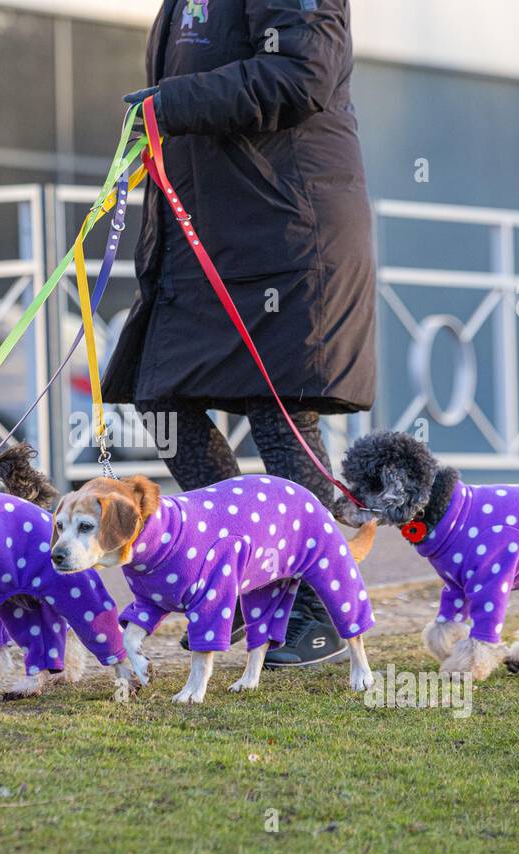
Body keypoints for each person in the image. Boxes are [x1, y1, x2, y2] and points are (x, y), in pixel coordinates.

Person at [103, 0, 376, 668]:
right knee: (161, 395)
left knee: (278, 413)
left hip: (285, 230)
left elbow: (301, 74)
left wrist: (173, 102)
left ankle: (319, 609)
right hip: (209, 238)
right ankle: (231, 573)